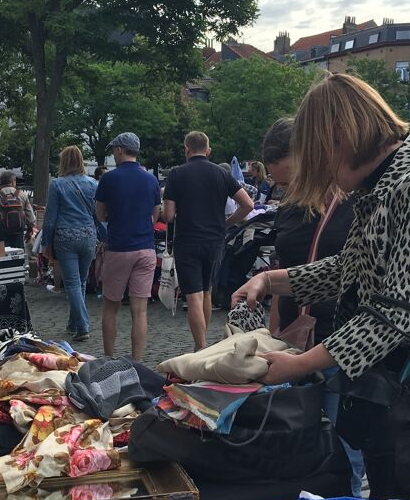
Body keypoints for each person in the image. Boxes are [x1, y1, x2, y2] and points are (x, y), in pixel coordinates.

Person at [230, 74, 410, 500]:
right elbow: (353, 267)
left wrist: (302, 365)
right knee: (390, 491)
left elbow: (400, 311)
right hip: (407, 389)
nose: (327, 179)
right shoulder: (385, 182)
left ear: (343, 138)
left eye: (323, 160)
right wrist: (273, 280)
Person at [260, 117, 364, 495]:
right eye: (280, 183)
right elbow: (284, 275)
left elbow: (349, 272)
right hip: (294, 343)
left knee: (347, 448)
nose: (286, 189)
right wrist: (272, 335)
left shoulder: (355, 202)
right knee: (293, 442)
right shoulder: (290, 208)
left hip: (341, 345)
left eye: (289, 180)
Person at [163, 131, 254, 350]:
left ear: (186, 148)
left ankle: (201, 345)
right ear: (208, 150)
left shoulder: (177, 174)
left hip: (188, 240)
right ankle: (202, 345)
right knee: (206, 292)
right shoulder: (221, 173)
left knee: (193, 295)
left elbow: (168, 216)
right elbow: (248, 205)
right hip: (215, 240)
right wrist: (227, 223)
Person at [95, 132, 161, 359]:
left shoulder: (109, 179)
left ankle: (109, 357)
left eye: (114, 149)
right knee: (140, 311)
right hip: (145, 248)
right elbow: (155, 215)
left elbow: (100, 214)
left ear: (121, 150)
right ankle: (137, 361)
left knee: (110, 307)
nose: (113, 153)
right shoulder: (151, 179)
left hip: (119, 247)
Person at [41, 146, 101, 342]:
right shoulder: (93, 183)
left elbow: (50, 218)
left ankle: (82, 326)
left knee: (73, 283)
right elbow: (97, 214)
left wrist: (46, 242)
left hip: (65, 236)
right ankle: (73, 323)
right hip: (88, 235)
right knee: (81, 282)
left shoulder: (57, 185)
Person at [0, 171, 36, 250]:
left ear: (1, 182)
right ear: (13, 181)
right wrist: (29, 230)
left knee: (3, 255)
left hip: (1, 233)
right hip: (18, 233)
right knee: (18, 255)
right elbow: (30, 216)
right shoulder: (22, 195)